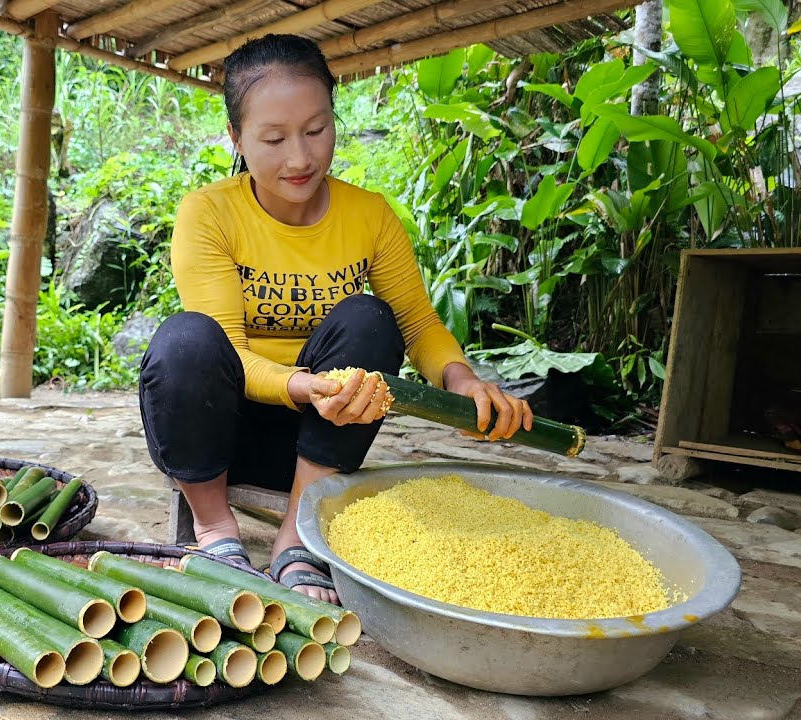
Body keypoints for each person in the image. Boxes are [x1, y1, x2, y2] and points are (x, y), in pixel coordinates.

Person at [138, 34, 533, 604]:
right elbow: (227, 348)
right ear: (236, 138)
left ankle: (297, 536)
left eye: (316, 130)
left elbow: (418, 324)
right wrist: (303, 386)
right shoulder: (210, 213)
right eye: (273, 138)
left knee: (372, 318)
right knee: (186, 341)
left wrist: (462, 381)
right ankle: (214, 529)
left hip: (320, 437)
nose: (300, 158)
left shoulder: (368, 215)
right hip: (215, 430)